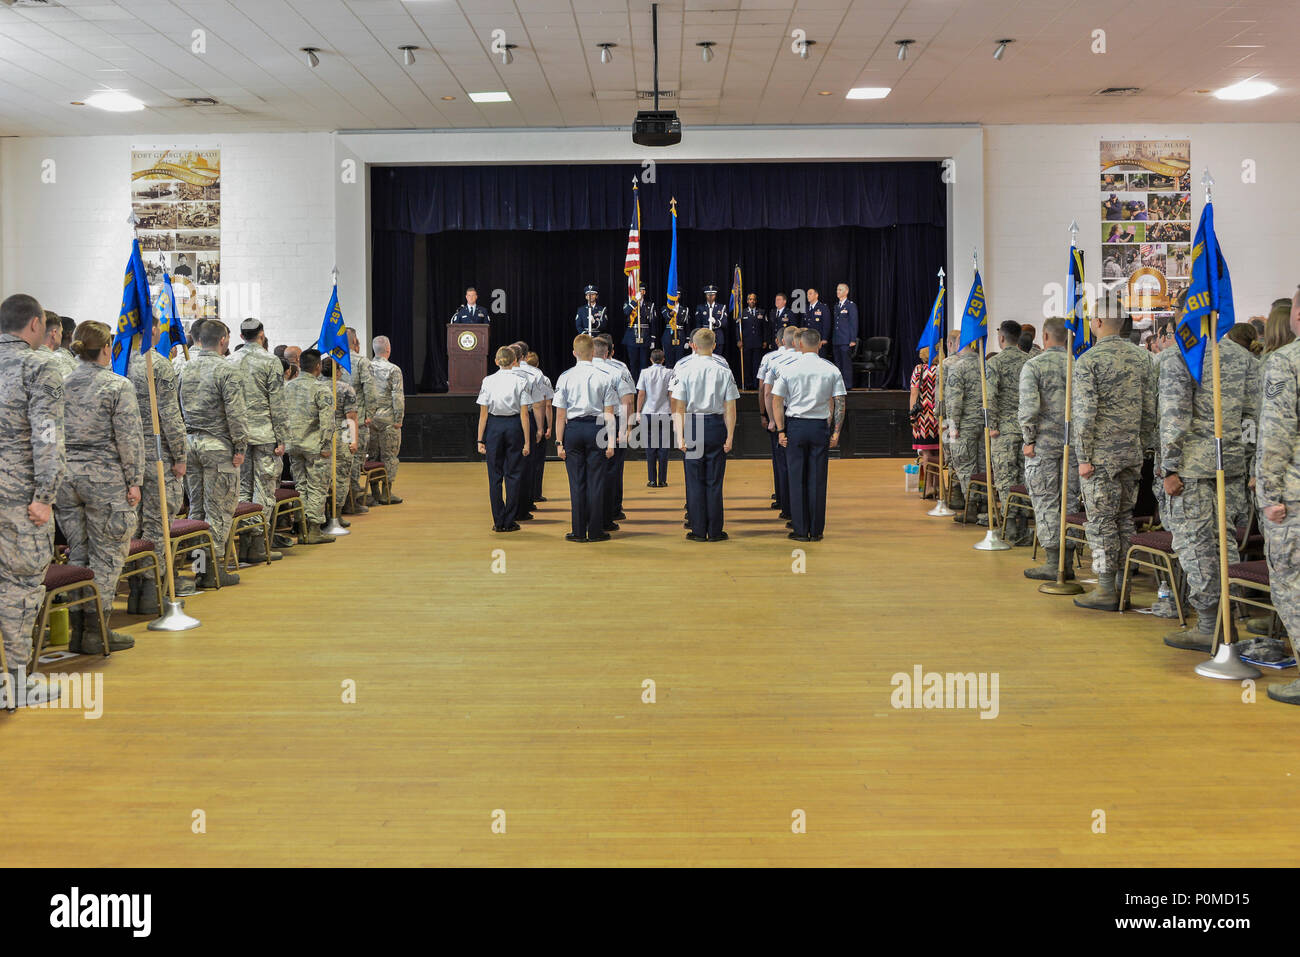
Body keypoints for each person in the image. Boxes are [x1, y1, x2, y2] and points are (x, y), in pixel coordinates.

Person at [1158, 317, 1260, 651]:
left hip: (1192, 469)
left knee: (1196, 547)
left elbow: (1175, 415)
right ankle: (1227, 621)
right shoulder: (1244, 357)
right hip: (1230, 467)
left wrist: (1168, 467)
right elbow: (1251, 416)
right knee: (1223, 544)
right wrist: (1244, 458)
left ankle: (1207, 627)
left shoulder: (1182, 354)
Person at [55, 320, 144, 653]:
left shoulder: (59, 383)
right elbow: (129, 438)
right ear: (107, 348)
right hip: (105, 480)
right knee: (106, 557)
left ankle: (77, 629)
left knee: (78, 553)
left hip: (66, 478)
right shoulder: (117, 386)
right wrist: (134, 480)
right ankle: (96, 631)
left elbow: (48, 432)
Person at [0, 294, 65, 708]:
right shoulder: (39, 364)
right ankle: (17, 684)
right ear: (36, 324)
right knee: (21, 587)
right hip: (20, 497)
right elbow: (46, 434)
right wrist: (45, 495)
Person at [1070, 304, 1157, 611]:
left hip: (1100, 457)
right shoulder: (1144, 358)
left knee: (1101, 521)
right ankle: (1123, 586)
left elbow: (1085, 414)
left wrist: (1083, 456)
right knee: (1123, 520)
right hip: (1131, 454)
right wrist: (1142, 445)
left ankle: (1107, 588)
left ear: (1098, 322)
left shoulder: (1089, 360)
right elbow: (1150, 410)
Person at [127, 313, 191, 613]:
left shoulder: (118, 361)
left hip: (126, 455)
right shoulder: (156, 363)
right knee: (157, 523)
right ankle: (152, 591)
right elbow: (169, 415)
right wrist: (180, 456)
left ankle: (135, 592)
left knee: (133, 525)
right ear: (152, 329)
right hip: (156, 455)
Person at [178, 319, 249, 588]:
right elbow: (236, 414)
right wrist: (240, 447)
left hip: (190, 443)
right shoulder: (227, 370)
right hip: (219, 448)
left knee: (196, 510)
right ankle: (213, 571)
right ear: (223, 341)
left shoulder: (184, 368)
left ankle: (199, 567)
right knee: (218, 511)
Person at [1255, 292, 1300, 704]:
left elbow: (1275, 437)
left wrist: (1268, 493)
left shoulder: (1286, 362)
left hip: (1293, 498)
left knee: (1292, 585)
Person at [771, 327, 847, 542]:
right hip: (819, 426)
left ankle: (801, 530)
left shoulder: (788, 368)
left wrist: (780, 429)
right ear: (820, 344)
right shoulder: (831, 369)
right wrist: (836, 432)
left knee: (797, 479)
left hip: (795, 426)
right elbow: (840, 402)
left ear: (799, 344)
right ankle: (817, 530)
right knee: (818, 480)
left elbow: (776, 399)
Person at [1020, 318, 1081, 579]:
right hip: (1074, 446)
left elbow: (1029, 407)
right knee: (1069, 502)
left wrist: (1028, 439)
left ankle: (1053, 562)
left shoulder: (1034, 365)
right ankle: (1066, 561)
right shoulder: (1078, 365)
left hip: (1043, 444)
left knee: (1045, 501)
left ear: (1045, 336)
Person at [227, 318, 287, 563]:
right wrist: (282, 437)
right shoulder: (271, 361)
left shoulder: (229, 361)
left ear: (241, 337)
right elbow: (278, 403)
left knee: (242, 490)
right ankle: (258, 545)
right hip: (265, 435)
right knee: (264, 489)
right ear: (261, 335)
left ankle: (243, 543)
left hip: (238, 436)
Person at [671, 328, 738, 542]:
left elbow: (678, 407)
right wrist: (730, 436)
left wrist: (679, 435)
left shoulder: (684, 370)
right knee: (714, 481)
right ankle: (716, 530)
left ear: (694, 345)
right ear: (715, 345)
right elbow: (730, 408)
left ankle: (698, 530)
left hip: (692, 425)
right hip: (716, 424)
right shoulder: (724, 371)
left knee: (694, 481)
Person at [553, 334, 618, 543]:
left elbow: (560, 415)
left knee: (576, 483)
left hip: (573, 430)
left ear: (574, 353)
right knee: (596, 482)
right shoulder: (605, 377)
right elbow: (609, 413)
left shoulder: (564, 377)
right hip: (597, 429)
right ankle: (596, 530)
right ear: (593, 353)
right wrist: (610, 441)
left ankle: (579, 531)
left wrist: (558, 442)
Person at [282, 349, 337, 545]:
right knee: (317, 488)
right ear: (318, 367)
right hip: (314, 446)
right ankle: (313, 530)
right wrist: (326, 444)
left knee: (301, 487)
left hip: (293, 445)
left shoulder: (287, 387)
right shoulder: (321, 388)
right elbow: (327, 421)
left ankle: (301, 526)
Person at [476, 346, 532, 532]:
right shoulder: (521, 380)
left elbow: (483, 413)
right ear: (515, 361)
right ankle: (510, 519)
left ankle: (498, 520)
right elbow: (524, 414)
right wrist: (527, 441)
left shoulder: (488, 380)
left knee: (495, 476)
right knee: (514, 474)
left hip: (494, 427)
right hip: (514, 426)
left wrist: (479, 440)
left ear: (496, 361)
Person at [985, 320, 1031, 544]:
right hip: (1026, 430)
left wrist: (992, 426)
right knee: (1025, 478)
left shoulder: (995, 362)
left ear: (1002, 338)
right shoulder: (1030, 361)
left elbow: (990, 397)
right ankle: (1024, 524)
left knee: (1005, 479)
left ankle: (1010, 527)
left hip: (1003, 430)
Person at [593, 334, 636, 530]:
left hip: (587, 422)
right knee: (613, 469)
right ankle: (612, 511)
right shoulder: (620, 369)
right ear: (611, 351)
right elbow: (628, 402)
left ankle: (592, 514)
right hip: (614, 420)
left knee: (591, 470)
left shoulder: (579, 370)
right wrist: (627, 428)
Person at [760, 326, 802, 517]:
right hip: (804, 416)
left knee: (780, 461)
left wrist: (767, 417)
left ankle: (783, 501)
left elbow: (765, 390)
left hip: (780, 412)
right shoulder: (807, 359)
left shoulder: (771, 359)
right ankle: (799, 508)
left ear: (781, 341)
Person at [944, 337, 986, 522]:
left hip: (964, 425)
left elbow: (954, 401)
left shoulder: (957, 367)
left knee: (965, 467)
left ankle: (970, 508)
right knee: (984, 466)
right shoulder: (986, 364)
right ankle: (986, 506)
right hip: (985, 424)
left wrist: (952, 427)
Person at [342, 327, 380, 515]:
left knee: (341, 462)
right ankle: (352, 501)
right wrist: (369, 414)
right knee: (355, 461)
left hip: (337, 421)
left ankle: (340, 502)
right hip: (356, 420)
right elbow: (371, 391)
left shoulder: (332, 361)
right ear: (355, 341)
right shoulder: (361, 362)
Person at [508, 340, 547, 519]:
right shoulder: (535, 373)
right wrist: (540, 427)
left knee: (509, 466)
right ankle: (524, 505)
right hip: (527, 417)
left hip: (506, 419)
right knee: (527, 463)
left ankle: (511, 506)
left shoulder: (500, 374)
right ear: (524, 356)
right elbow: (539, 404)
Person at [321, 356, 359, 527]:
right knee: (341, 476)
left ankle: (321, 513)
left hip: (319, 436)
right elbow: (350, 417)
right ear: (337, 371)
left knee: (321, 477)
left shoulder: (316, 386)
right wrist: (354, 440)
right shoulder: (346, 389)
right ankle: (336, 514)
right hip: (340, 434)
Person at [369, 335, 405, 504]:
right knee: (390, 456)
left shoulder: (365, 367)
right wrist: (399, 418)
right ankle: (386, 493)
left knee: (372, 457)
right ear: (388, 350)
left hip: (369, 419)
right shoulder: (394, 370)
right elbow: (397, 396)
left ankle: (374, 492)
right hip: (388, 419)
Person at [636, 348, 673, 487]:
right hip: (664, 412)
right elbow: (671, 394)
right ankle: (662, 480)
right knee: (664, 448)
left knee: (650, 448)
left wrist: (638, 412)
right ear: (663, 359)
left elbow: (641, 394)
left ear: (650, 359)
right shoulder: (669, 372)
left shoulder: (645, 372)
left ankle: (652, 479)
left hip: (648, 412)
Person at [524, 352, 554, 503]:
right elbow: (547, 405)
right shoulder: (544, 379)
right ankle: (535, 493)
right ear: (537, 364)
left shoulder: (518, 375)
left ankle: (524, 496)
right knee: (537, 460)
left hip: (520, 417)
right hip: (536, 419)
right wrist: (547, 427)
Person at [909, 347, 940, 495]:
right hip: (939, 416)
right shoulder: (942, 369)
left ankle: (926, 486)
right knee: (937, 452)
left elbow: (914, 393)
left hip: (923, 417)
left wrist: (912, 416)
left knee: (925, 453)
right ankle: (938, 485)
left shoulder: (919, 370)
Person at [622, 282, 657, 374]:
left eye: (642, 290)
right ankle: (634, 385)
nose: (640, 292)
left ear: (644, 292)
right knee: (633, 363)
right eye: (638, 290)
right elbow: (626, 312)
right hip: (632, 336)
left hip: (645, 336)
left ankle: (643, 387)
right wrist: (634, 302)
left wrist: (653, 339)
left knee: (644, 363)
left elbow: (652, 322)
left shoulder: (649, 305)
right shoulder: (629, 303)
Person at [830, 283, 859, 389]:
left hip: (846, 340)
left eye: (840, 290)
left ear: (846, 292)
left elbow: (853, 323)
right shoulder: (836, 306)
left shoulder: (850, 305)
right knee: (838, 364)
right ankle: (839, 384)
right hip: (837, 339)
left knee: (846, 364)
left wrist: (852, 339)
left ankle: (847, 385)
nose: (838, 291)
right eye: (837, 289)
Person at [739, 292, 769, 388]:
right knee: (747, 365)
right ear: (747, 301)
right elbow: (738, 328)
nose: (752, 301)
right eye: (750, 299)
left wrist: (765, 340)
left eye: (753, 299)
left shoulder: (761, 312)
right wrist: (738, 340)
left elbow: (765, 327)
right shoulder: (742, 312)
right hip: (746, 343)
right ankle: (747, 384)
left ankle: (756, 384)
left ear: (756, 301)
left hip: (758, 342)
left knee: (757, 364)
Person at [693, 285, 728, 359]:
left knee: (717, 359)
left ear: (715, 295)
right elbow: (698, 324)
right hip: (704, 337)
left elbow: (724, 323)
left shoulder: (721, 307)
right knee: (705, 358)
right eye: (708, 295)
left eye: (712, 295)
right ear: (705, 295)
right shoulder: (700, 307)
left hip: (717, 337)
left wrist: (715, 321)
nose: (710, 297)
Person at [661, 292, 689, 368]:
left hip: (680, 335)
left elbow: (687, 325)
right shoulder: (665, 308)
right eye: (673, 294)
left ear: (679, 295)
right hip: (668, 335)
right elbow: (666, 316)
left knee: (679, 361)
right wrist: (672, 312)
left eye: (677, 294)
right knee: (668, 359)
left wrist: (687, 340)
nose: (675, 296)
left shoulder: (684, 309)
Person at [805, 287, 830, 354]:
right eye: (807, 294)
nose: (808, 296)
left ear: (816, 295)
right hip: (807, 340)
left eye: (810, 294)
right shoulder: (806, 308)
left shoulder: (823, 307)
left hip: (819, 340)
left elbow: (826, 324)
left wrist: (824, 339)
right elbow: (803, 324)